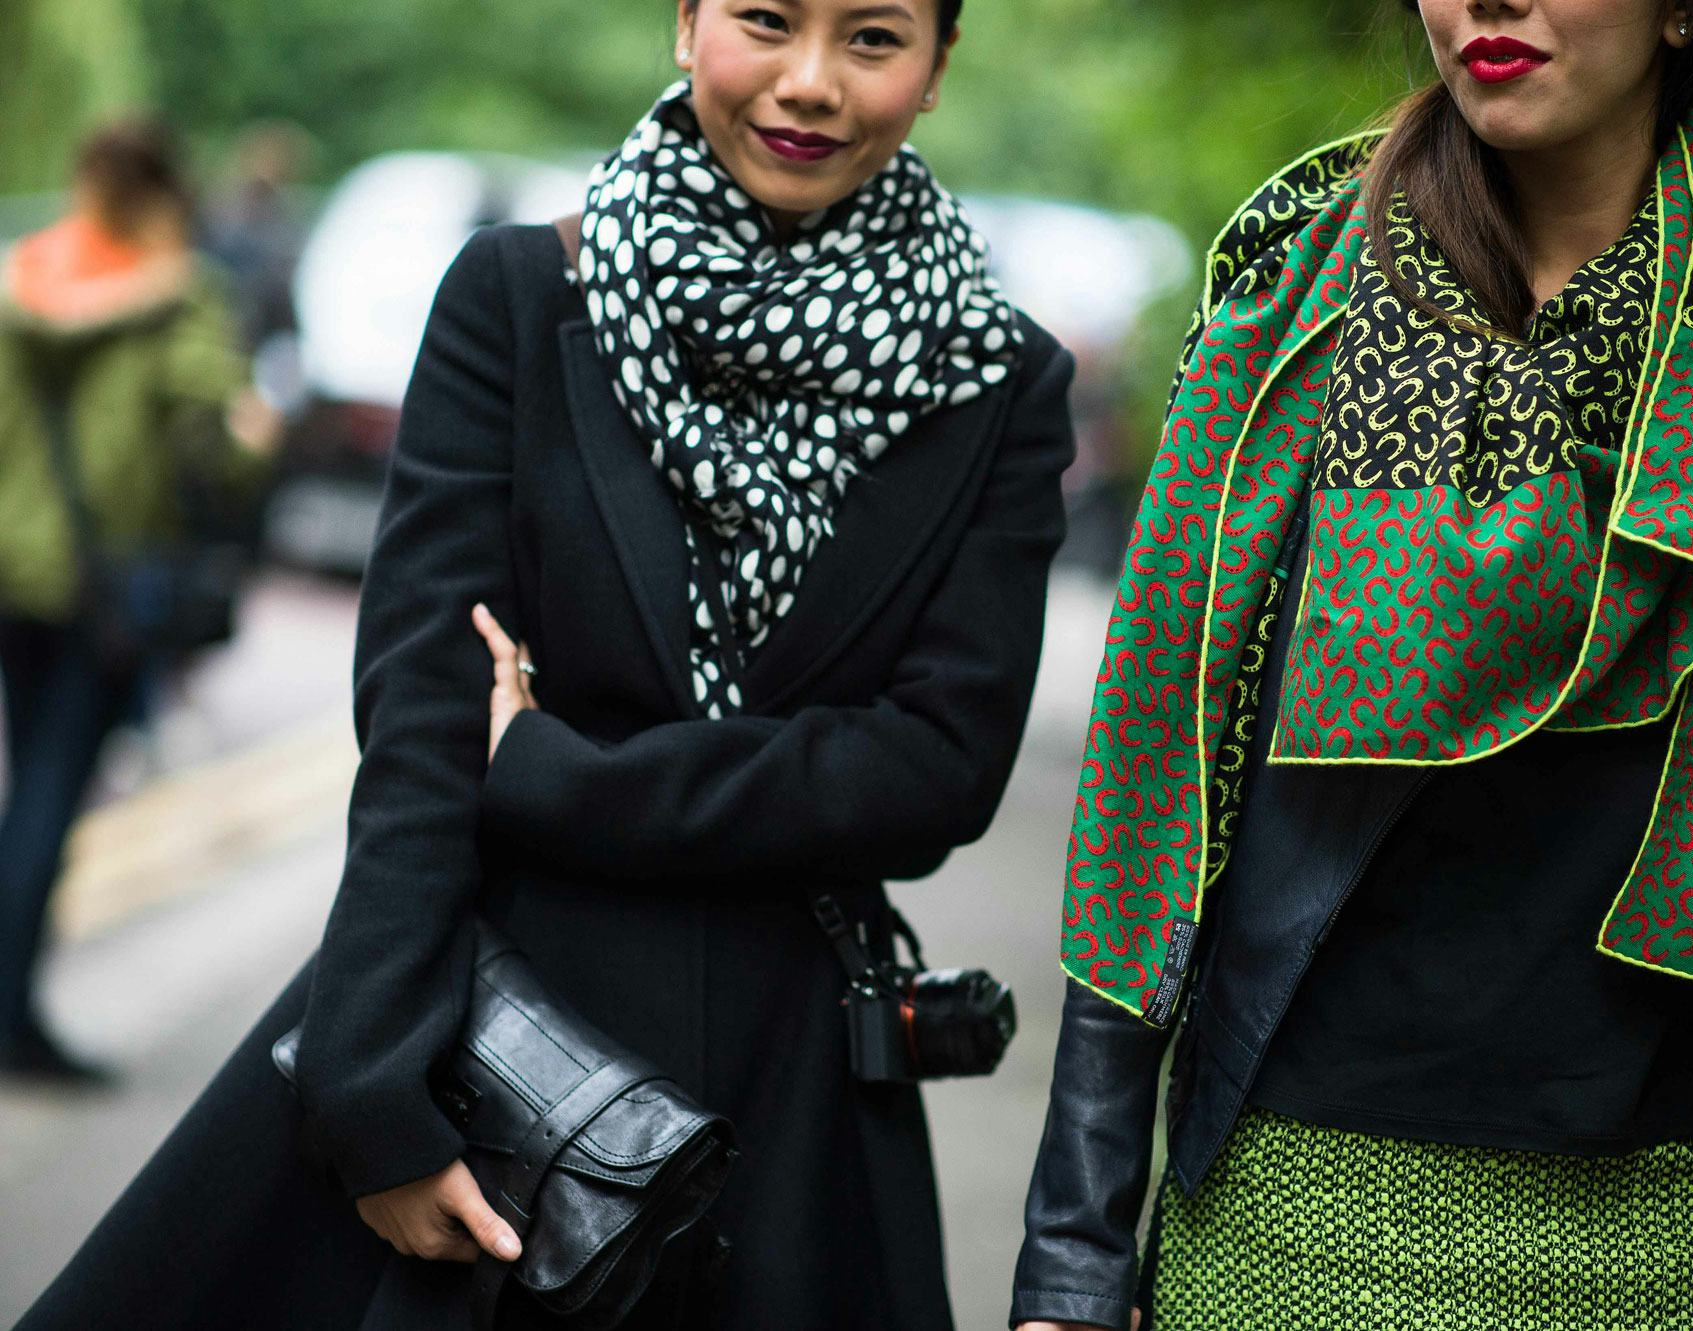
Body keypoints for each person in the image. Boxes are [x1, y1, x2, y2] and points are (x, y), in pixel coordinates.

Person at [22, 0, 1074, 1326]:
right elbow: (422, 709)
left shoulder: (999, 379)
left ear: (933, 72)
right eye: (766, 19)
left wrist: (550, 770)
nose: (813, 82)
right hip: (498, 1043)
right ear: (687, 23)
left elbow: (935, 770)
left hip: (792, 1083)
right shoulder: (519, 295)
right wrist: (371, 1086)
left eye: (872, 38)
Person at [1011, 0, 1693, 1328]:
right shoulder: (1300, 299)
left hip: (1687, 1202)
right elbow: (1157, 764)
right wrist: (1074, 1252)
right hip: (1293, 1199)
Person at [0, 119, 274, 1085]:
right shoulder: (182, 298)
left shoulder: (21, 273)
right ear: (162, 194)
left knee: (21, 779)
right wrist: (258, 434)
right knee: (47, 794)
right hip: (100, 586)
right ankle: (11, 1017)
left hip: (12, 568)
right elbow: (217, 444)